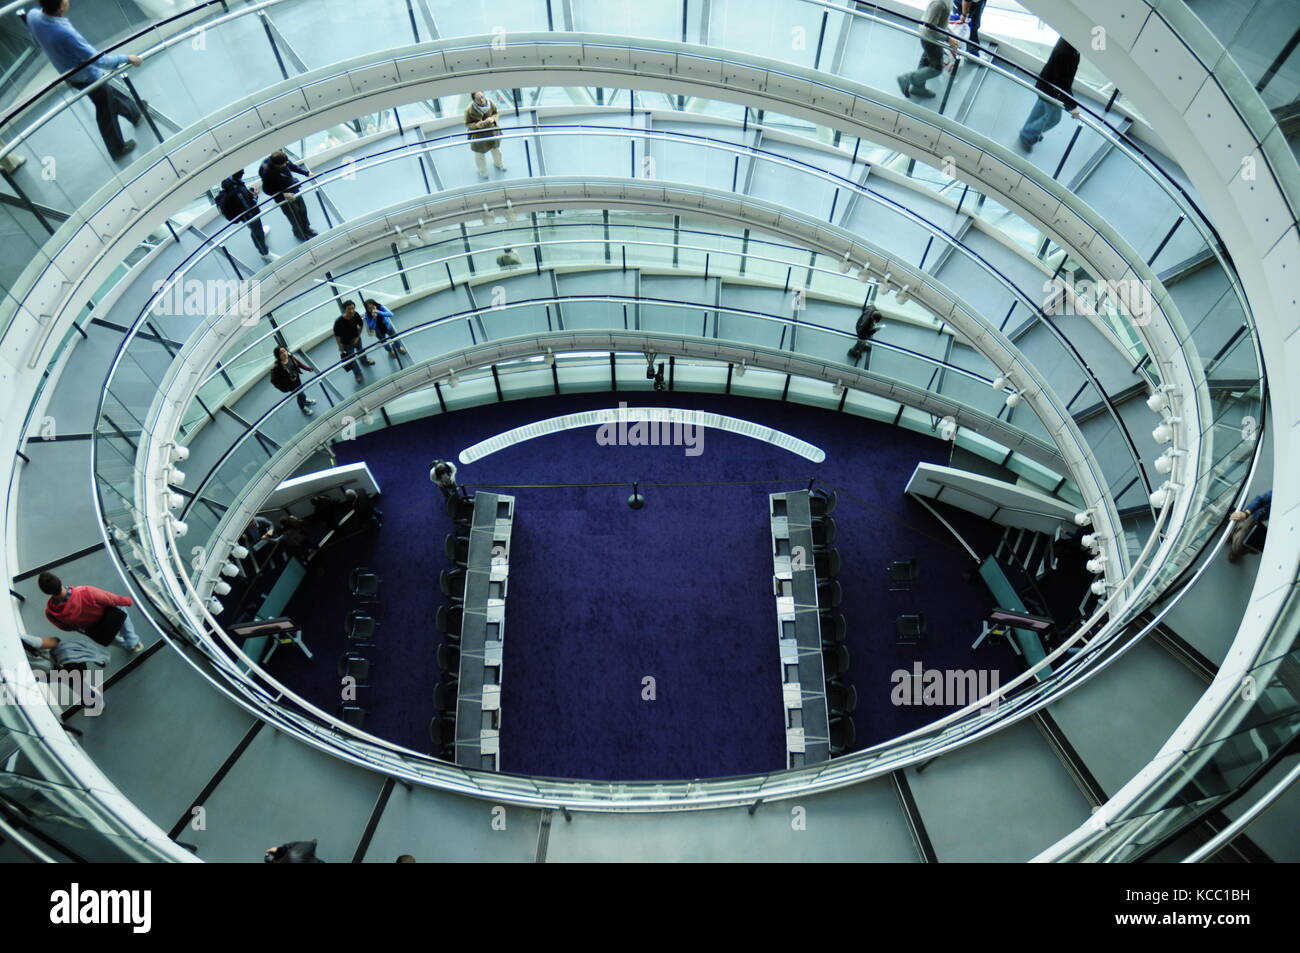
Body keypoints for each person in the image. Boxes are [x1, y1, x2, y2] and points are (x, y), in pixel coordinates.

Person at [27, 0, 144, 159]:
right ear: (61, 7)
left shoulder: (33, 17)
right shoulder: (65, 33)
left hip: (68, 73)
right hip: (87, 77)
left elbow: (36, 40)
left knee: (110, 95)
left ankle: (134, 113)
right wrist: (127, 58)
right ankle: (117, 149)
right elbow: (100, 61)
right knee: (105, 109)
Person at [38, 572, 142, 653]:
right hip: (109, 618)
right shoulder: (85, 591)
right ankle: (132, 639)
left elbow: (66, 628)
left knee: (109, 639)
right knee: (119, 606)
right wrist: (127, 601)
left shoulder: (50, 613)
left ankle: (127, 646)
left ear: (45, 592)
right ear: (59, 580)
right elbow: (110, 599)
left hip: (95, 630)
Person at [1018, 38, 1081, 152]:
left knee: (1040, 109)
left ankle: (1031, 131)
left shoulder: (1067, 42)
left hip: (1045, 84)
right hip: (1052, 90)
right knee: (1053, 118)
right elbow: (1062, 84)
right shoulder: (1067, 52)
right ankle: (1028, 134)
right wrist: (1073, 106)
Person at [896, 1, 958, 101]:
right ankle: (906, 79)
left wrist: (950, 35)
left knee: (926, 61)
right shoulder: (939, 3)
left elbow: (941, 22)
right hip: (930, 38)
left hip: (930, 37)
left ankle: (917, 88)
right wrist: (947, 38)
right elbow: (929, 29)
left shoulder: (946, 2)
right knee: (936, 69)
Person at [215, 169, 274, 262]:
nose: (244, 173)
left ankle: (260, 235)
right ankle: (265, 253)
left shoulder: (231, 182)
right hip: (250, 216)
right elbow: (248, 208)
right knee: (256, 231)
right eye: (242, 172)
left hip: (245, 215)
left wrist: (249, 194)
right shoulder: (237, 190)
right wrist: (255, 196)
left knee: (255, 229)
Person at [259, 150, 318, 241]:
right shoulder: (267, 173)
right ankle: (298, 233)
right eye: (285, 163)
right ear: (277, 165)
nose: (287, 163)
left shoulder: (282, 159)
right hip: (283, 195)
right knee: (293, 216)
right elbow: (267, 190)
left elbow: (292, 166)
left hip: (292, 188)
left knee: (302, 210)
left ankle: (306, 228)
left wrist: (307, 173)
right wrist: (283, 195)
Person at [465, 91, 507, 179]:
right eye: (478, 99)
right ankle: (482, 171)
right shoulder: (469, 110)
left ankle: (499, 163)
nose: (481, 100)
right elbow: (467, 124)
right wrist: (476, 125)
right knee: (479, 154)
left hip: (492, 132)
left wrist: (492, 119)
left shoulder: (490, 102)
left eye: (482, 97)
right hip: (479, 135)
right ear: (473, 100)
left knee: (496, 150)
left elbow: (496, 113)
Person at [334, 300, 374, 384]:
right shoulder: (338, 322)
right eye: (349, 309)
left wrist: (357, 337)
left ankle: (364, 361)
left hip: (356, 339)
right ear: (344, 309)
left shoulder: (356, 315)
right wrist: (340, 346)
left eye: (353, 308)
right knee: (352, 360)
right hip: (346, 344)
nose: (351, 310)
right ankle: (358, 374)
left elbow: (361, 324)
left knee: (361, 351)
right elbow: (337, 335)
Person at [269, 345, 316, 415]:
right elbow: (274, 381)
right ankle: (302, 407)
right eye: (281, 353)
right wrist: (288, 381)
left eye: (284, 351)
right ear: (278, 356)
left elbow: (298, 364)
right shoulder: (277, 368)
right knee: (300, 394)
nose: (284, 354)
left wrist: (307, 368)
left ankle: (304, 400)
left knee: (301, 391)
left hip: (297, 379)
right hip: (290, 384)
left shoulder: (290, 357)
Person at [1227, 490, 1271, 563]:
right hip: (1256, 516)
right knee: (1241, 533)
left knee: (1251, 541)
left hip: (1266, 525)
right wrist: (1246, 513)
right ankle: (1235, 549)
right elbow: (1260, 499)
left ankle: (1237, 549)